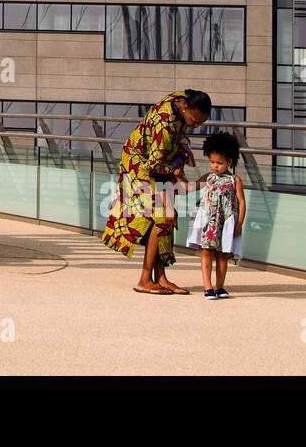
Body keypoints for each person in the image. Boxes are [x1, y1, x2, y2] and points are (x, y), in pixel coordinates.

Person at [101, 89, 211, 294]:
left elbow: (166, 153)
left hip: (154, 163)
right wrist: (168, 204)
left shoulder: (179, 99)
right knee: (160, 216)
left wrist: (183, 148)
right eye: (194, 120)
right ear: (185, 107)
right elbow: (156, 167)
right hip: (138, 165)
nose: (195, 125)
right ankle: (145, 280)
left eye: (200, 123)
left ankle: (160, 278)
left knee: (163, 219)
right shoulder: (165, 124)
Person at [186, 131, 246, 300]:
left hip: (226, 221)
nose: (215, 166)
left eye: (219, 163)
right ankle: (207, 286)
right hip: (208, 222)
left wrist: (239, 223)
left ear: (229, 162)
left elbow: (241, 202)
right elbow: (191, 188)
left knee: (222, 253)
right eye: (212, 162)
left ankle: (220, 286)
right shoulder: (208, 177)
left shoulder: (235, 180)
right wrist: (177, 176)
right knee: (207, 251)